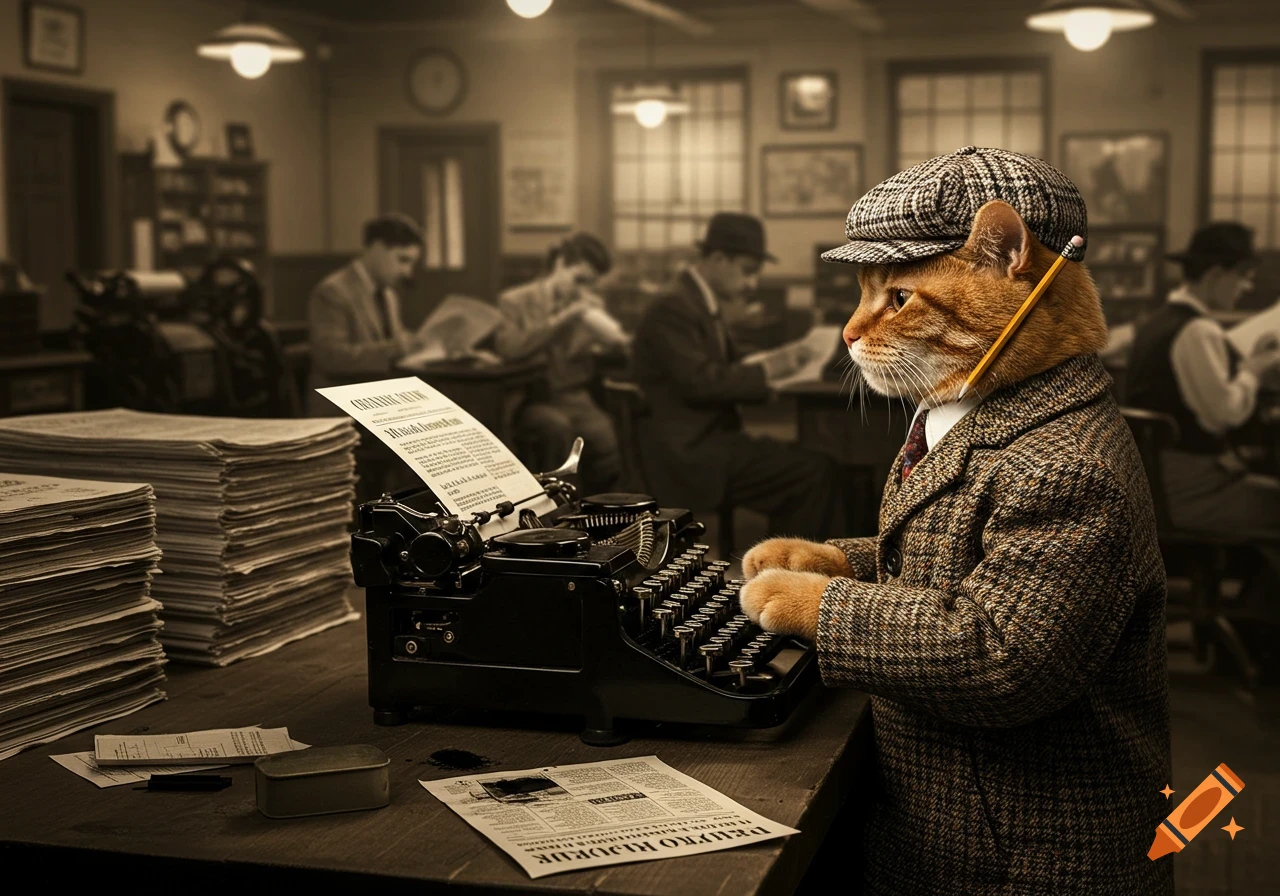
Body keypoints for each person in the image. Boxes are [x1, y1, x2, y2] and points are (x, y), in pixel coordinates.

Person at [629, 212, 846, 541]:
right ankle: (790, 573)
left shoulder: (694, 302)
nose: (751, 284)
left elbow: (725, 365)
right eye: (747, 272)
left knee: (813, 463)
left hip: (705, 438)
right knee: (813, 472)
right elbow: (702, 382)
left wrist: (774, 369)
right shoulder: (672, 307)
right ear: (718, 259)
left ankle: (796, 567)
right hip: (690, 454)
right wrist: (772, 370)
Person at [1126, 222, 1280, 534]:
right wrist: (1253, 370)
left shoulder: (1159, 321)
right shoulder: (1197, 330)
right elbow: (1224, 416)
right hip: (1189, 489)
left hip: (1157, 483)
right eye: (1243, 277)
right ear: (1215, 276)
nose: (1246, 287)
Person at [493, 232, 628, 493]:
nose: (581, 290)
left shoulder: (589, 307)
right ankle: (559, 514)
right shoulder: (516, 301)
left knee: (607, 439)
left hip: (574, 395)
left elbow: (584, 355)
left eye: (590, 284)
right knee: (556, 430)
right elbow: (508, 348)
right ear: (560, 263)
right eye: (579, 279)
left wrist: (606, 337)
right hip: (532, 397)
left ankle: (600, 512)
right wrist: (562, 320)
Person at [308, 213, 426, 499]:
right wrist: (399, 347)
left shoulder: (388, 295)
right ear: (375, 248)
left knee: (431, 428)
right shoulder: (333, 291)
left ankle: (407, 516)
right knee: (418, 438)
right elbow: (330, 357)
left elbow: (391, 349)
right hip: (340, 406)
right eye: (402, 260)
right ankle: (395, 517)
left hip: (377, 402)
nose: (407, 272)